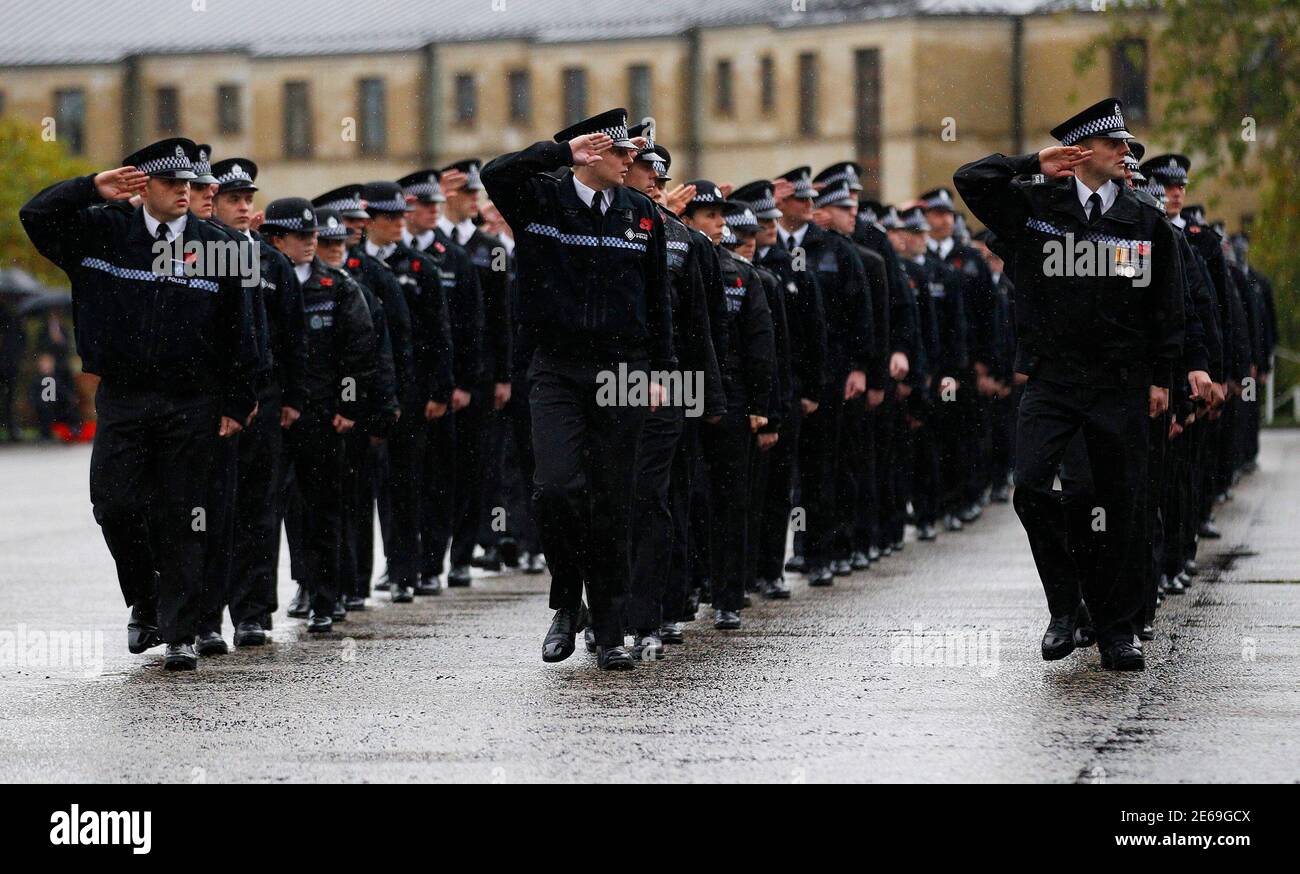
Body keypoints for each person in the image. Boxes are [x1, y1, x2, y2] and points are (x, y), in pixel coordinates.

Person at [954, 97, 1185, 671]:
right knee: (1031, 488)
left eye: (1126, 145)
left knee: (1120, 506)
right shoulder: (1035, 206)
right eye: (1114, 145)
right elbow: (970, 179)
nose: (1125, 152)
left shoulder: (1143, 220)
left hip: (1119, 382)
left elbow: (1167, 309)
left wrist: (1163, 380)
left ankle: (1118, 629)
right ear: (1082, 151)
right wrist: (1033, 161)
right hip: (1054, 380)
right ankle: (1065, 605)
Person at [20, 137, 259, 670]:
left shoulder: (220, 246)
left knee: (182, 514)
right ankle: (146, 602)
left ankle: (178, 633)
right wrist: (89, 189)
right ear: (142, 186)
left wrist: (238, 402)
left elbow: (240, 332)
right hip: (125, 396)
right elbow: (34, 215)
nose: (184, 191)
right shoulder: (103, 233)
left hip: (191, 400)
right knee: (114, 503)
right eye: (171, 183)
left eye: (189, 184)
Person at [482, 107, 674, 670]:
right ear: (589, 154)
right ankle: (568, 603)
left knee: (614, 499)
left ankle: (611, 629)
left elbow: (657, 298)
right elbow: (495, 173)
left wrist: (660, 371)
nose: (631, 162)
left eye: (632, 154)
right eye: (619, 153)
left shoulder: (641, 216)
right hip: (557, 368)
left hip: (624, 370)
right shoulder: (540, 199)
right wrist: (558, 154)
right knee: (559, 488)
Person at [260, 198, 377, 632]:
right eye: (301, 237)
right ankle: (275, 599)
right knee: (271, 509)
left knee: (322, 507)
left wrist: (348, 405)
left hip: (321, 414)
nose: (311, 243)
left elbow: (359, 351)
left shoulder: (338, 286)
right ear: (277, 240)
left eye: (314, 236)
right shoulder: (262, 282)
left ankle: (327, 598)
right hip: (275, 411)